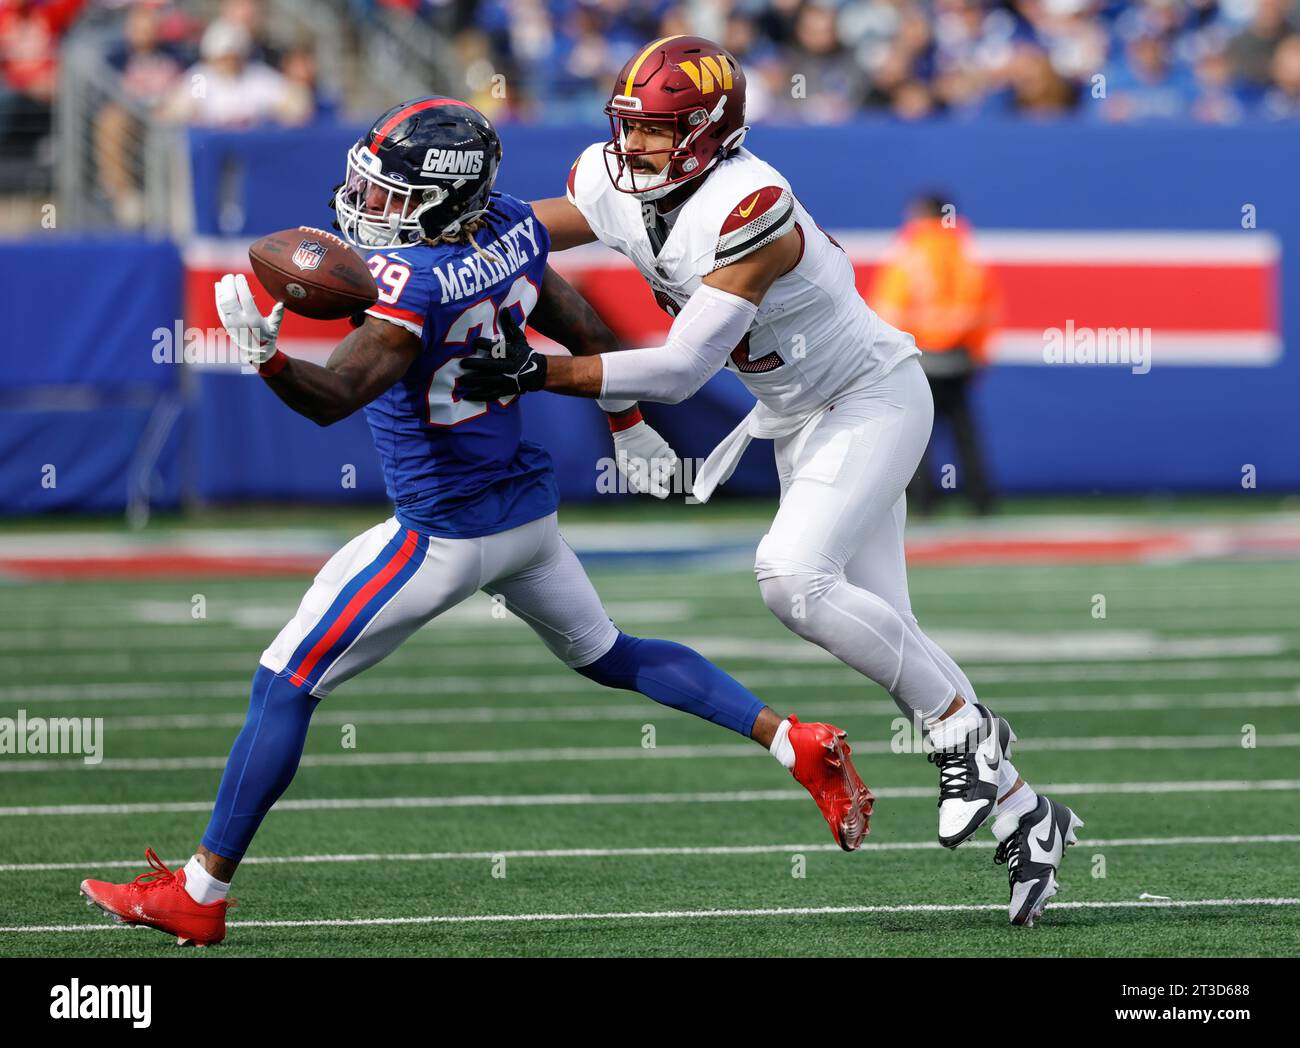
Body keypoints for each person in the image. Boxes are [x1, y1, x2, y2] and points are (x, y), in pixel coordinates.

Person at [77, 96, 872, 946]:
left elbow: (335, 397)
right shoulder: (511, 227)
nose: (367, 204)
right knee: (610, 655)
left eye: (391, 193)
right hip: (526, 514)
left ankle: (199, 893)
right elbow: (582, 325)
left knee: (285, 682)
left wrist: (267, 357)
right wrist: (626, 422)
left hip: (441, 534)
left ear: (442, 197)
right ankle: (793, 740)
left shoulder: (406, 280)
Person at [460, 37, 1082, 926]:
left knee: (791, 579)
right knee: (884, 631)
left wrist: (538, 374)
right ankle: (1027, 812)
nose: (631, 146)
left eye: (656, 131)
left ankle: (967, 734)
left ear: (709, 135)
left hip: (870, 399)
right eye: (628, 125)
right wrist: (434, 229)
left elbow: (679, 369)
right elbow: (525, 228)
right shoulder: (614, 176)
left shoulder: (751, 207)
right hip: (802, 418)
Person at [869, 193, 998, 516]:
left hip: (919, 355)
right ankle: (981, 500)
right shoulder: (966, 251)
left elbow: (889, 305)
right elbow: (986, 306)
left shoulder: (909, 252)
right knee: (965, 432)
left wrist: (886, 355)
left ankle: (924, 500)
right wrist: (979, 354)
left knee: (915, 433)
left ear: (922, 214)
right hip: (959, 356)